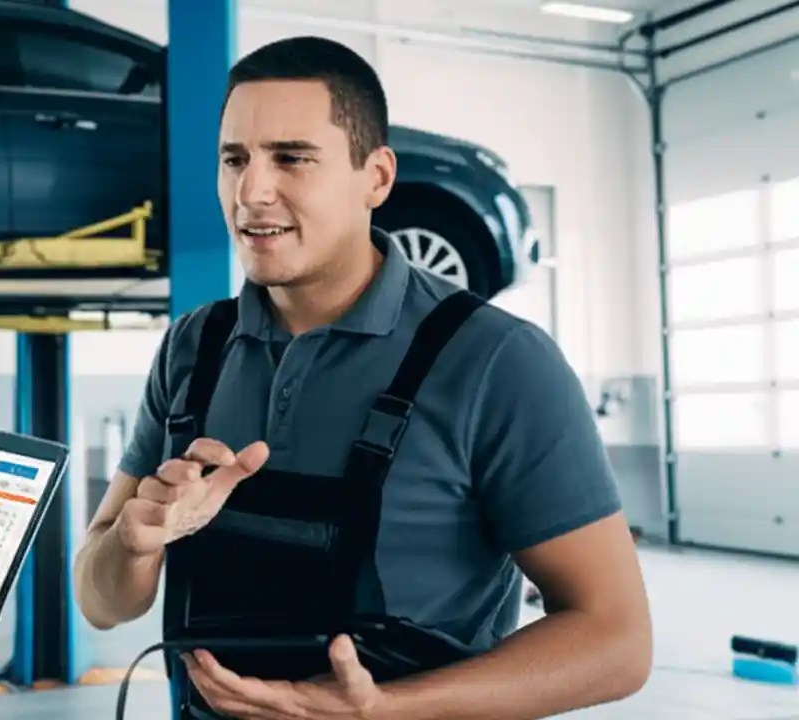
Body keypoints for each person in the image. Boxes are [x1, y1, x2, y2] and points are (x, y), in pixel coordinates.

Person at [73, 36, 653, 720]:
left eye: (292, 158)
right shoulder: (193, 348)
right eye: (235, 160)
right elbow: (101, 601)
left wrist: (381, 708)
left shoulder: (496, 360)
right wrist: (135, 545)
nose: (252, 191)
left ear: (376, 177)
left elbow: (617, 640)